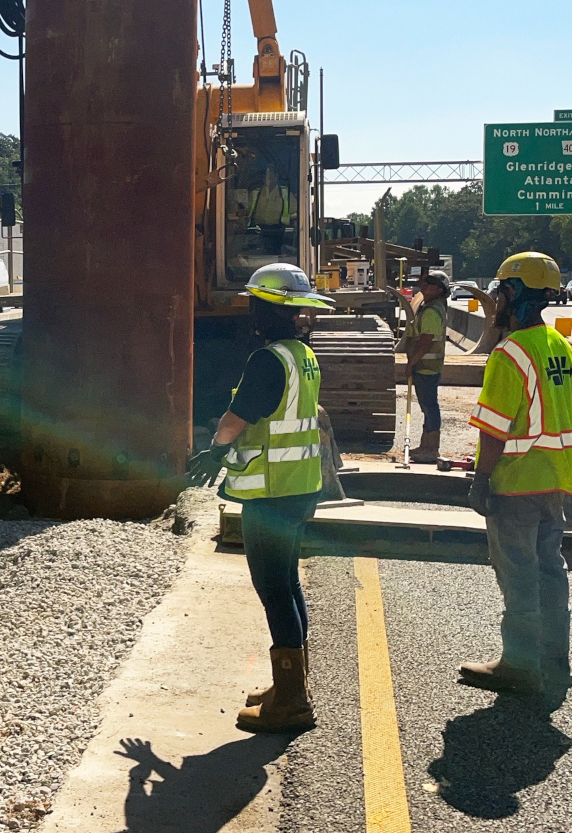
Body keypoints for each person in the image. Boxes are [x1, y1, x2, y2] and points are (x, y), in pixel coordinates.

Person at [187, 263, 334, 733]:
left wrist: (216, 450)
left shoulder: (268, 359)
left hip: (272, 492)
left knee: (273, 589)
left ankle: (291, 703)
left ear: (267, 309)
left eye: (254, 303)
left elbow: (240, 415)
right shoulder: (303, 355)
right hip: (301, 487)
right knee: (287, 583)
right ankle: (292, 686)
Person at [461, 251, 572, 706]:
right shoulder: (561, 347)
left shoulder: (510, 353)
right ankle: (554, 660)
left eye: (500, 291)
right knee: (551, 571)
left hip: (516, 482)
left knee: (518, 574)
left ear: (514, 293)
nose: (496, 300)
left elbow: (495, 427)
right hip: (556, 480)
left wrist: (481, 479)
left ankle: (518, 665)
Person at [405, 269, 450, 462]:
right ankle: (426, 446)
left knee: (430, 407)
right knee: (427, 406)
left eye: (431, 283)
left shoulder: (432, 312)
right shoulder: (429, 307)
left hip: (427, 368)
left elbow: (425, 342)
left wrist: (411, 363)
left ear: (440, 290)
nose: (425, 285)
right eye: (425, 281)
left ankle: (431, 448)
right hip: (426, 367)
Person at [248, 165, 293, 255]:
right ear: (263, 178)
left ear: (277, 176)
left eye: (272, 173)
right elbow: (245, 213)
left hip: (277, 233)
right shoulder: (254, 193)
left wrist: (291, 221)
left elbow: (296, 213)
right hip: (257, 233)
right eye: (267, 174)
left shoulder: (285, 193)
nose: (269, 177)